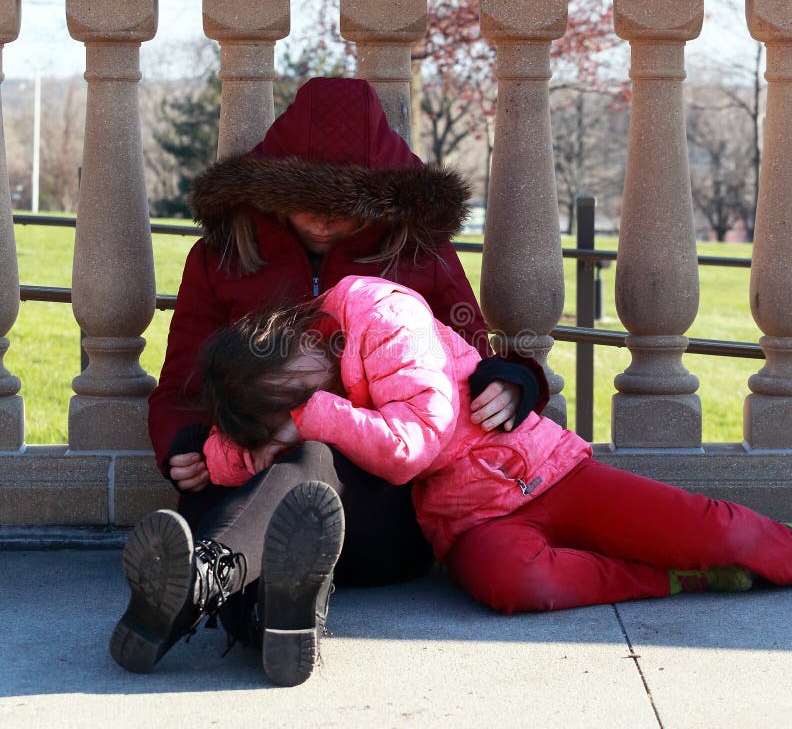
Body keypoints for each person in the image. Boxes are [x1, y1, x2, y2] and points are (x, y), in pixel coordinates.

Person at [111, 77, 547, 686]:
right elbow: (181, 386)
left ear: (382, 198)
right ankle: (281, 619)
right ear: (270, 188)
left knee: (313, 446)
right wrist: (182, 442)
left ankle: (194, 589)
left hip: (379, 514)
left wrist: (512, 379)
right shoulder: (221, 259)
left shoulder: (419, 257)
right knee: (288, 464)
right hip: (238, 480)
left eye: (347, 204)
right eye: (305, 196)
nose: (324, 217)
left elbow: (472, 361)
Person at [200, 274, 792, 622]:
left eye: (301, 385)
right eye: (290, 402)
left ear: (287, 336)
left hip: (547, 470)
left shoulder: (378, 312)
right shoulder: (294, 392)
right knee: (517, 588)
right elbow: (236, 447)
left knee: (718, 533)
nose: (309, 397)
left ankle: (783, 549)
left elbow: (415, 443)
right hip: (467, 519)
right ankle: (679, 581)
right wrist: (232, 446)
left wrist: (309, 415)